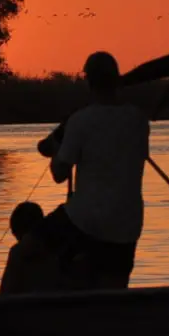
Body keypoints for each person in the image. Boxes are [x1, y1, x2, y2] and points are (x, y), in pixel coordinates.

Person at [38, 51, 150, 289]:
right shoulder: (139, 119)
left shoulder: (80, 121)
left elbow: (59, 174)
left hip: (85, 220)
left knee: (26, 248)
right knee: (113, 290)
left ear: (89, 82)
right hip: (127, 225)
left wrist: (58, 147)